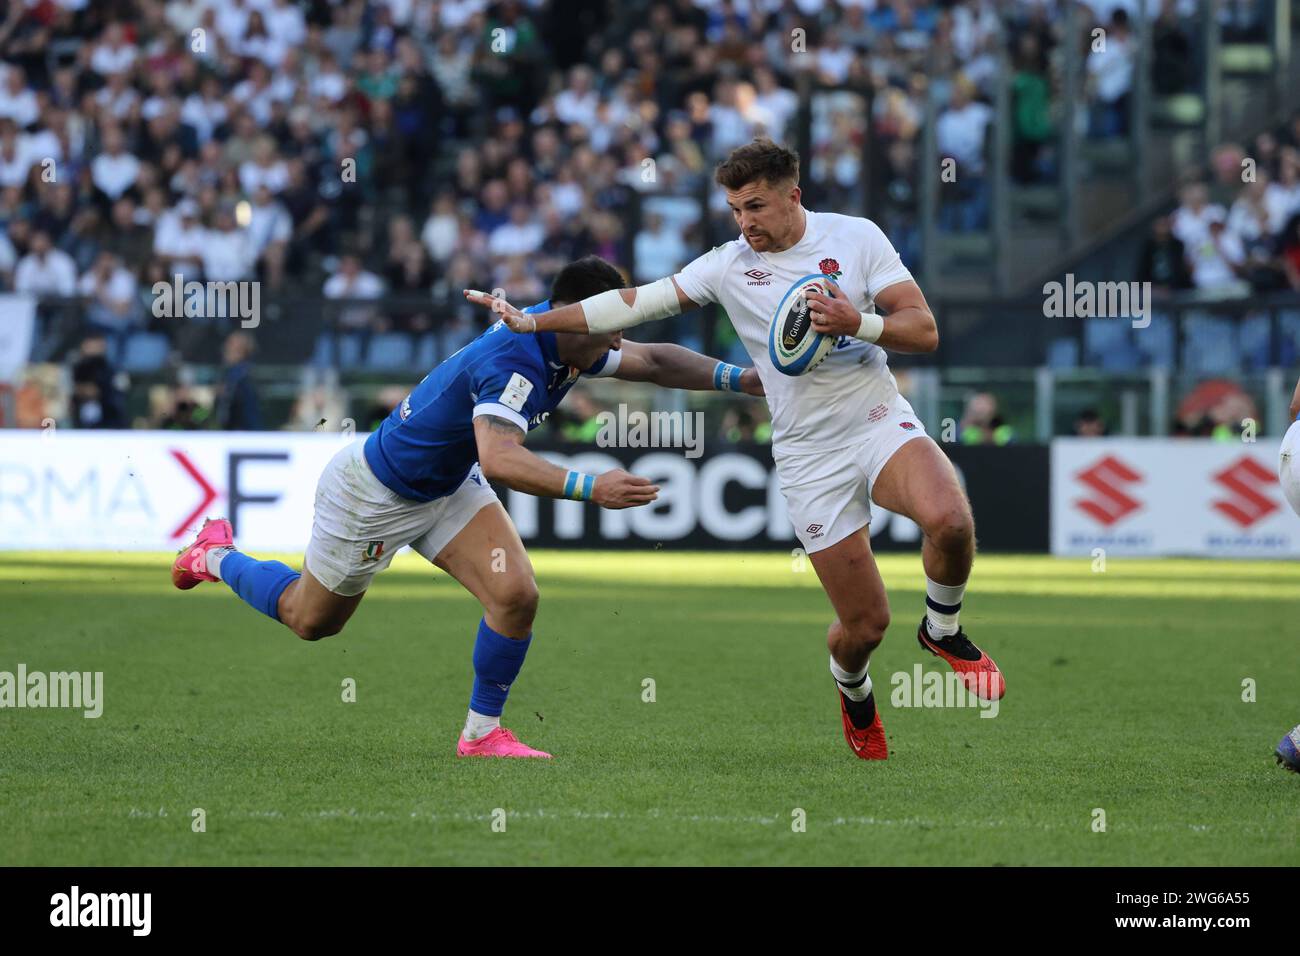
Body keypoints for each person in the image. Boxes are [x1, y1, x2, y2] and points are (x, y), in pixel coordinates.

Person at [465, 138, 1004, 762]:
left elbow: (925, 330)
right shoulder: (725, 265)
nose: (745, 222)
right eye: (734, 209)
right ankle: (851, 686)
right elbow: (635, 303)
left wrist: (857, 323)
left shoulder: (856, 238)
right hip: (807, 451)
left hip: (876, 415)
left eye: (755, 206)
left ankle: (942, 628)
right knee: (865, 627)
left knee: (951, 519)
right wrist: (534, 322)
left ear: (792, 197)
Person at [171, 256, 763, 759]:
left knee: (516, 595)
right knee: (311, 620)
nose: (617, 340)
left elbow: (656, 362)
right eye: (611, 326)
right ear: (579, 314)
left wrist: (744, 379)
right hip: (374, 493)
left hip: (448, 485)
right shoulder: (517, 360)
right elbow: (502, 459)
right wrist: (590, 487)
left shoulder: (569, 343)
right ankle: (215, 554)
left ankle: (481, 735)